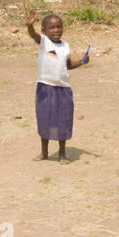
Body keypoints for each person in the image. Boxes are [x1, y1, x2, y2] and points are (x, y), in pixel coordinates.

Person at [24, 9, 90, 163]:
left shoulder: (66, 47)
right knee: (44, 119)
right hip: (45, 88)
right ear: (44, 31)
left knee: (63, 121)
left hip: (63, 89)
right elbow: (33, 35)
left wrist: (81, 62)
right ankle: (44, 152)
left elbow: (67, 66)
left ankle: (62, 153)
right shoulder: (44, 42)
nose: (56, 30)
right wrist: (29, 26)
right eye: (51, 27)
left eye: (59, 26)